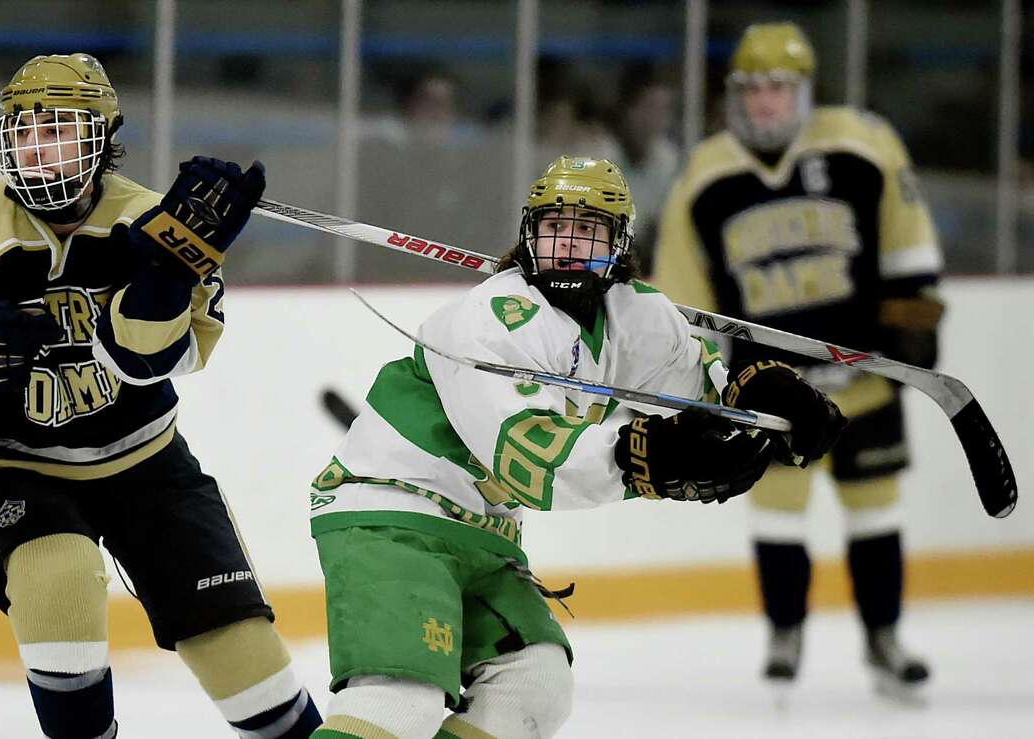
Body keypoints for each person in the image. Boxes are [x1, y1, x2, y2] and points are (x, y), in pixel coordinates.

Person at [0, 53, 322, 738]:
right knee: (60, 576)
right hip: (14, 465)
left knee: (246, 661)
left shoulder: (151, 221)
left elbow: (149, 357)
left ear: (102, 138)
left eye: (58, 131)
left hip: (149, 466)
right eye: (24, 133)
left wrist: (169, 269)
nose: (37, 151)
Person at [305, 156, 845, 738]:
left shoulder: (634, 314)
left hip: (483, 536)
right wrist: (646, 459)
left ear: (619, 244)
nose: (567, 246)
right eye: (553, 228)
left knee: (531, 689)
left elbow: (698, 390)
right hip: (394, 515)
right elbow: (523, 457)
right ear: (527, 235)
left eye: (587, 232)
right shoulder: (495, 315)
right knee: (399, 702)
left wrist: (766, 403)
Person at [653, 23, 943, 695]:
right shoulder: (707, 174)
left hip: (864, 382)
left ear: (805, 90)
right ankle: (785, 632)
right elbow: (681, 304)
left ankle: (884, 638)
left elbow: (909, 247)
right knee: (777, 512)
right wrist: (698, 380)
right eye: (751, 90)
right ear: (733, 95)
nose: (765, 104)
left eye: (779, 89)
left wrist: (914, 329)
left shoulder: (862, 145)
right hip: (772, 395)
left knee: (876, 508)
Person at [610, 63, 682, 271]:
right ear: (627, 109)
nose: (656, 120)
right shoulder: (600, 155)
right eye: (649, 107)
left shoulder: (667, 158)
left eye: (664, 110)